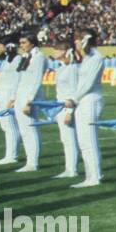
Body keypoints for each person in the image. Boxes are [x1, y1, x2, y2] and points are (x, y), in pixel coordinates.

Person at [65, 28, 105, 189]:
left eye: (77, 39)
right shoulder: (87, 58)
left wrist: (73, 99)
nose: (75, 42)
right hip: (82, 102)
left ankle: (95, 176)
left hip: (91, 101)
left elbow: (88, 83)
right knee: (83, 141)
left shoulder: (96, 57)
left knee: (89, 140)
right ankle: (90, 175)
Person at [12, 30, 46, 173]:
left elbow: (36, 79)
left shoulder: (39, 57)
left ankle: (33, 162)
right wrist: (14, 98)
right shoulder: (26, 56)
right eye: (20, 43)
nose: (21, 45)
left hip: (29, 97)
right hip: (21, 95)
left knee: (30, 129)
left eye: (24, 42)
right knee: (24, 130)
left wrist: (29, 101)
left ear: (32, 42)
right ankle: (29, 160)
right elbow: (20, 78)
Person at [51, 45, 80, 180]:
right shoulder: (61, 67)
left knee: (69, 139)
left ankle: (72, 169)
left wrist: (69, 112)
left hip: (67, 107)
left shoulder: (72, 68)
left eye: (56, 49)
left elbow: (73, 91)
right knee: (65, 139)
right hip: (60, 107)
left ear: (64, 51)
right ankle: (69, 168)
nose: (53, 52)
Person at [0, 36, 21, 166]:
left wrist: (13, 98)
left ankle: (12, 155)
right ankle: (9, 154)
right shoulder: (6, 61)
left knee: (10, 126)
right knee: (5, 126)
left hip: (8, 96)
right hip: (1, 95)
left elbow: (17, 79)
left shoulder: (17, 59)